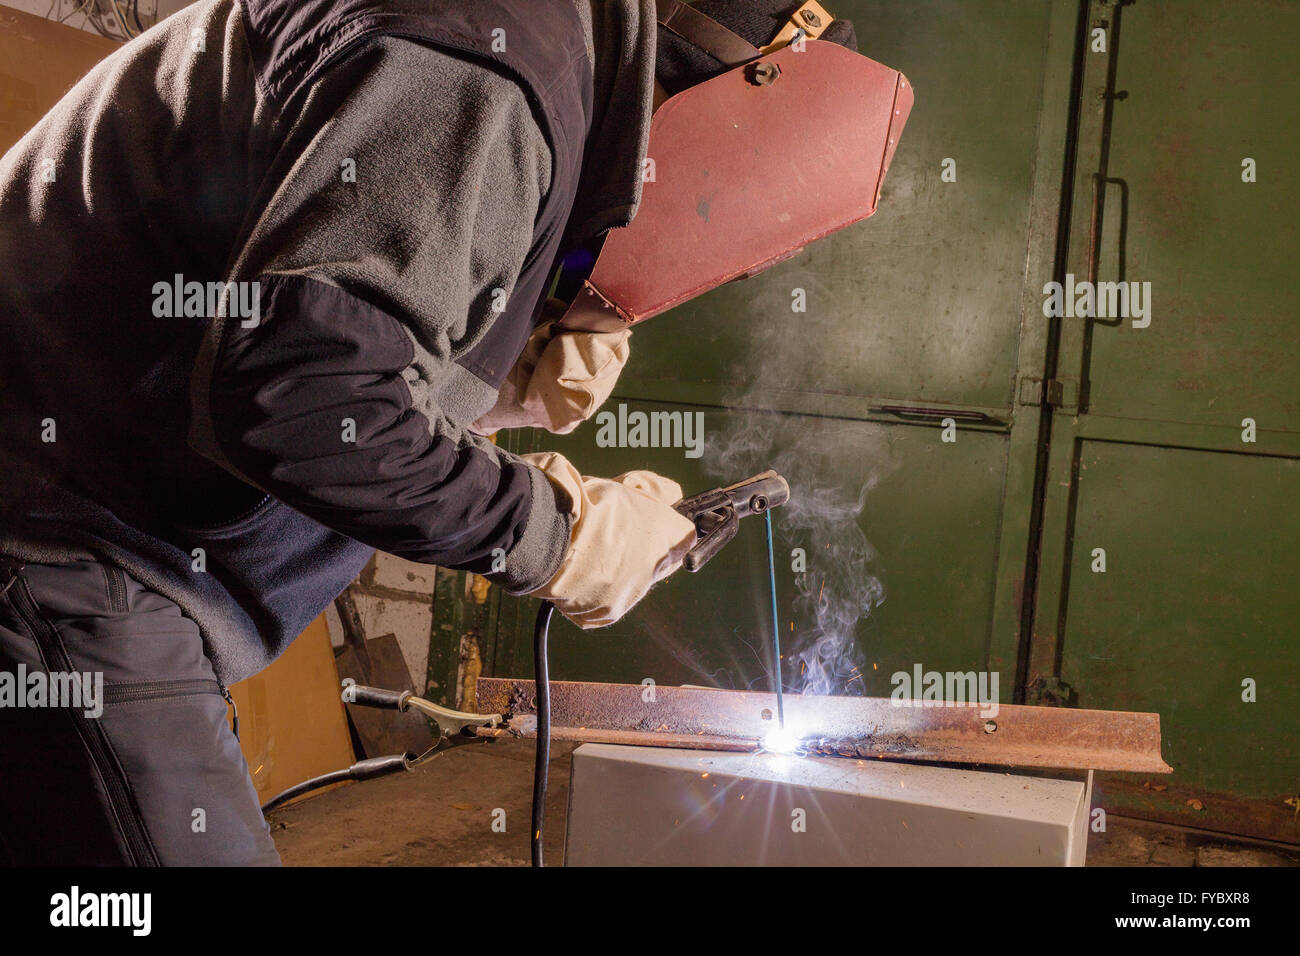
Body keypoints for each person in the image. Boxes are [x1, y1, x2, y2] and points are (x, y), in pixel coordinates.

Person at [0, 0, 862, 864]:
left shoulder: (531, 50)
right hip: (67, 547)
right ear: (744, 78)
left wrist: (492, 388)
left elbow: (315, 347)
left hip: (95, 538)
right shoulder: (491, 63)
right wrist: (559, 532)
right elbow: (304, 399)